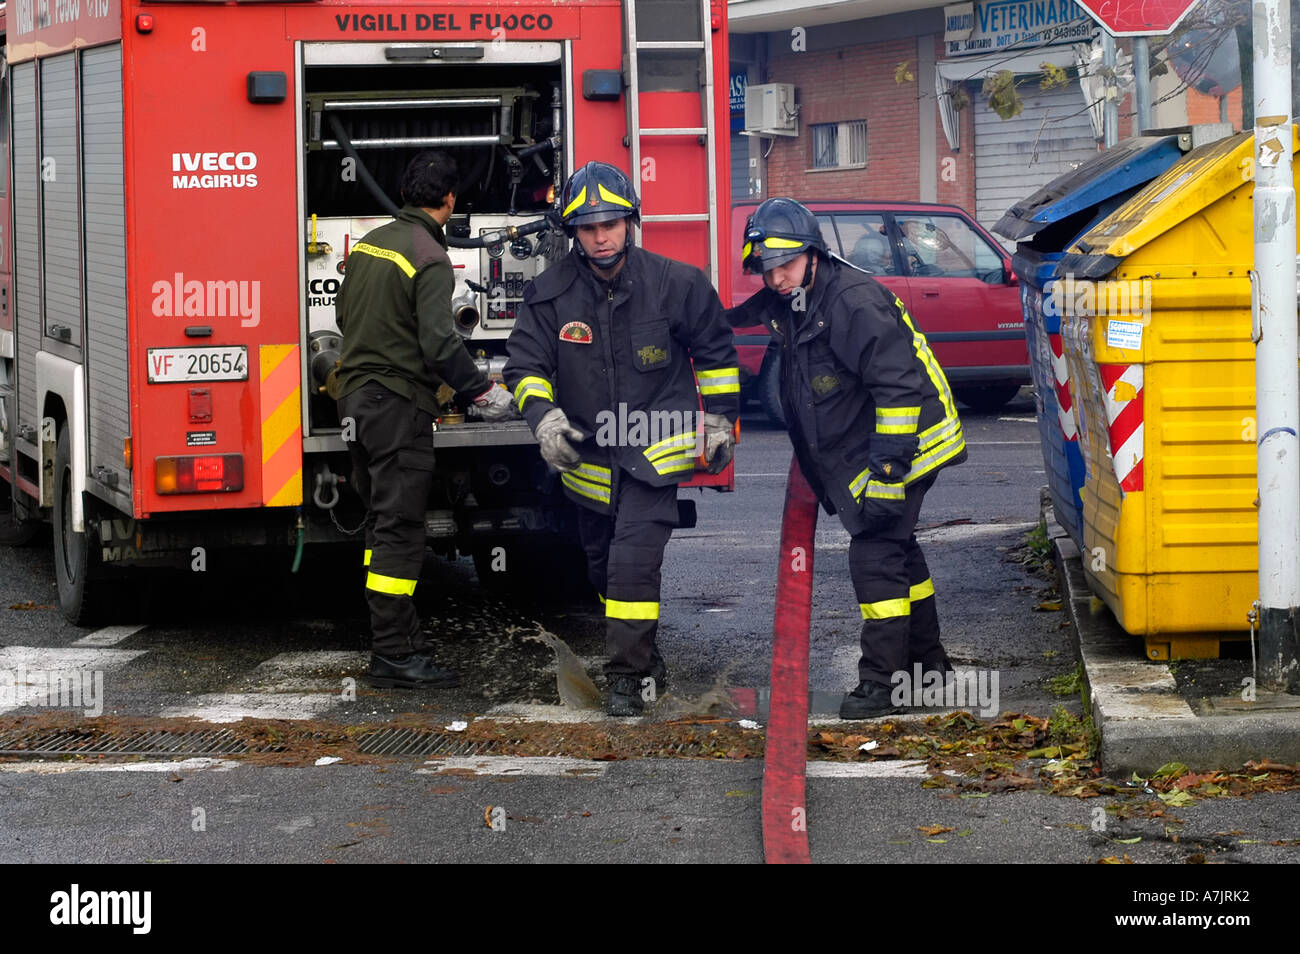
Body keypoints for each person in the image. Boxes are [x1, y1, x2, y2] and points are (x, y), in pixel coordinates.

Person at [504, 160, 739, 716]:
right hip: (589, 462)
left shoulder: (677, 284)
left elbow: (716, 356)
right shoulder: (549, 295)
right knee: (602, 569)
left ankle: (628, 678)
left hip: (655, 454)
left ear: (631, 221)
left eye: (611, 223)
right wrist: (544, 418)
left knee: (633, 563)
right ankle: (644, 654)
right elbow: (525, 366)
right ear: (573, 233)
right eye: (588, 227)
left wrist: (720, 418)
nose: (601, 235)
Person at [728, 197, 967, 718]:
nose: (775, 279)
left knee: (875, 555)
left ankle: (881, 686)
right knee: (900, 553)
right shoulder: (799, 292)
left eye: (785, 266)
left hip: (906, 442)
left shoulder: (853, 303)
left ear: (813, 255)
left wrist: (886, 473)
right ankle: (928, 669)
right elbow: (745, 315)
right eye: (766, 269)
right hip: (876, 442)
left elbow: (898, 391)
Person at [334, 150, 515, 689]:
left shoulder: (368, 244)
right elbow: (440, 342)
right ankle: (392, 654)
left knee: (380, 522)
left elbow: (344, 316)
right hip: (396, 407)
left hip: (356, 402)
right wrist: (482, 390)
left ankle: (400, 640)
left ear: (407, 193)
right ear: (450, 199)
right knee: (402, 529)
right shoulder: (429, 255)